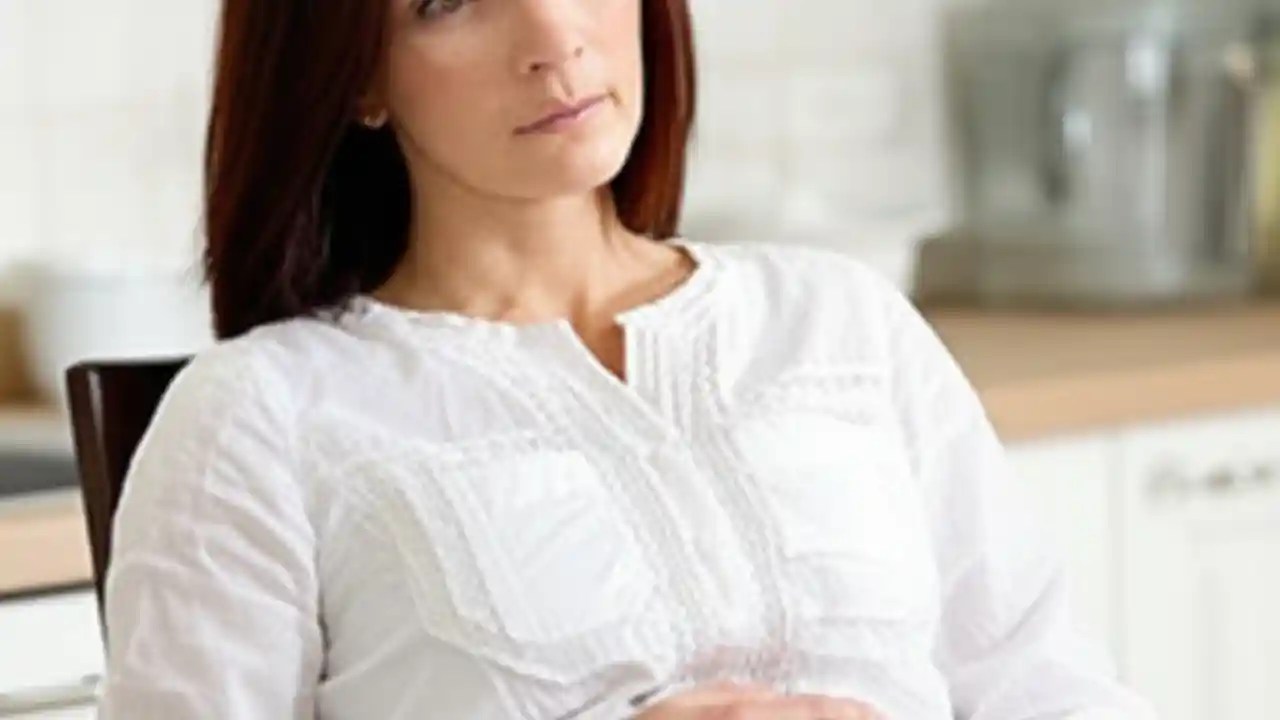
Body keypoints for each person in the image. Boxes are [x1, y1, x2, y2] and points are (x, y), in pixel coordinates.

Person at [97, 1, 1156, 718]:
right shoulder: (260, 418)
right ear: (352, 75)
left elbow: (1049, 689)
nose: (554, 38)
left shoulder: (839, 324)